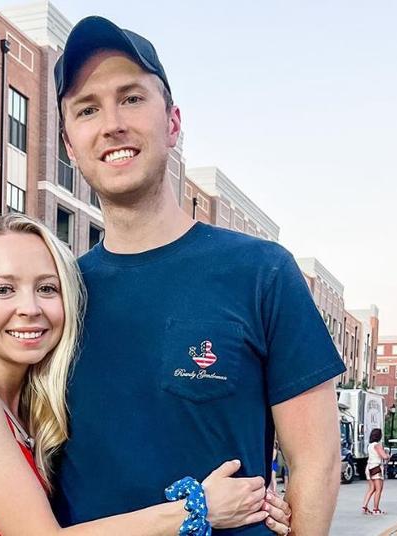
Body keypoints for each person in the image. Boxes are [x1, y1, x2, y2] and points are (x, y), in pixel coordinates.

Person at [50, 16, 345, 535]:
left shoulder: (262, 271)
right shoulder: (55, 299)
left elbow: (316, 463)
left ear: (173, 121)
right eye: (88, 109)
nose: (112, 122)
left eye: (133, 98)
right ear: (70, 145)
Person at [0, 215, 274, 536]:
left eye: (47, 288)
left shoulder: (24, 406)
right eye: (3, 290)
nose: (29, 307)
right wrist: (199, 508)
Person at [361, 428, 390, 516]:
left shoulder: (370, 445)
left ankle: (364, 506)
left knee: (371, 488)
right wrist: (388, 456)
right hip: (376, 468)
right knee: (378, 489)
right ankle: (376, 509)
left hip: (369, 467)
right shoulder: (377, 445)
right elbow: (384, 456)